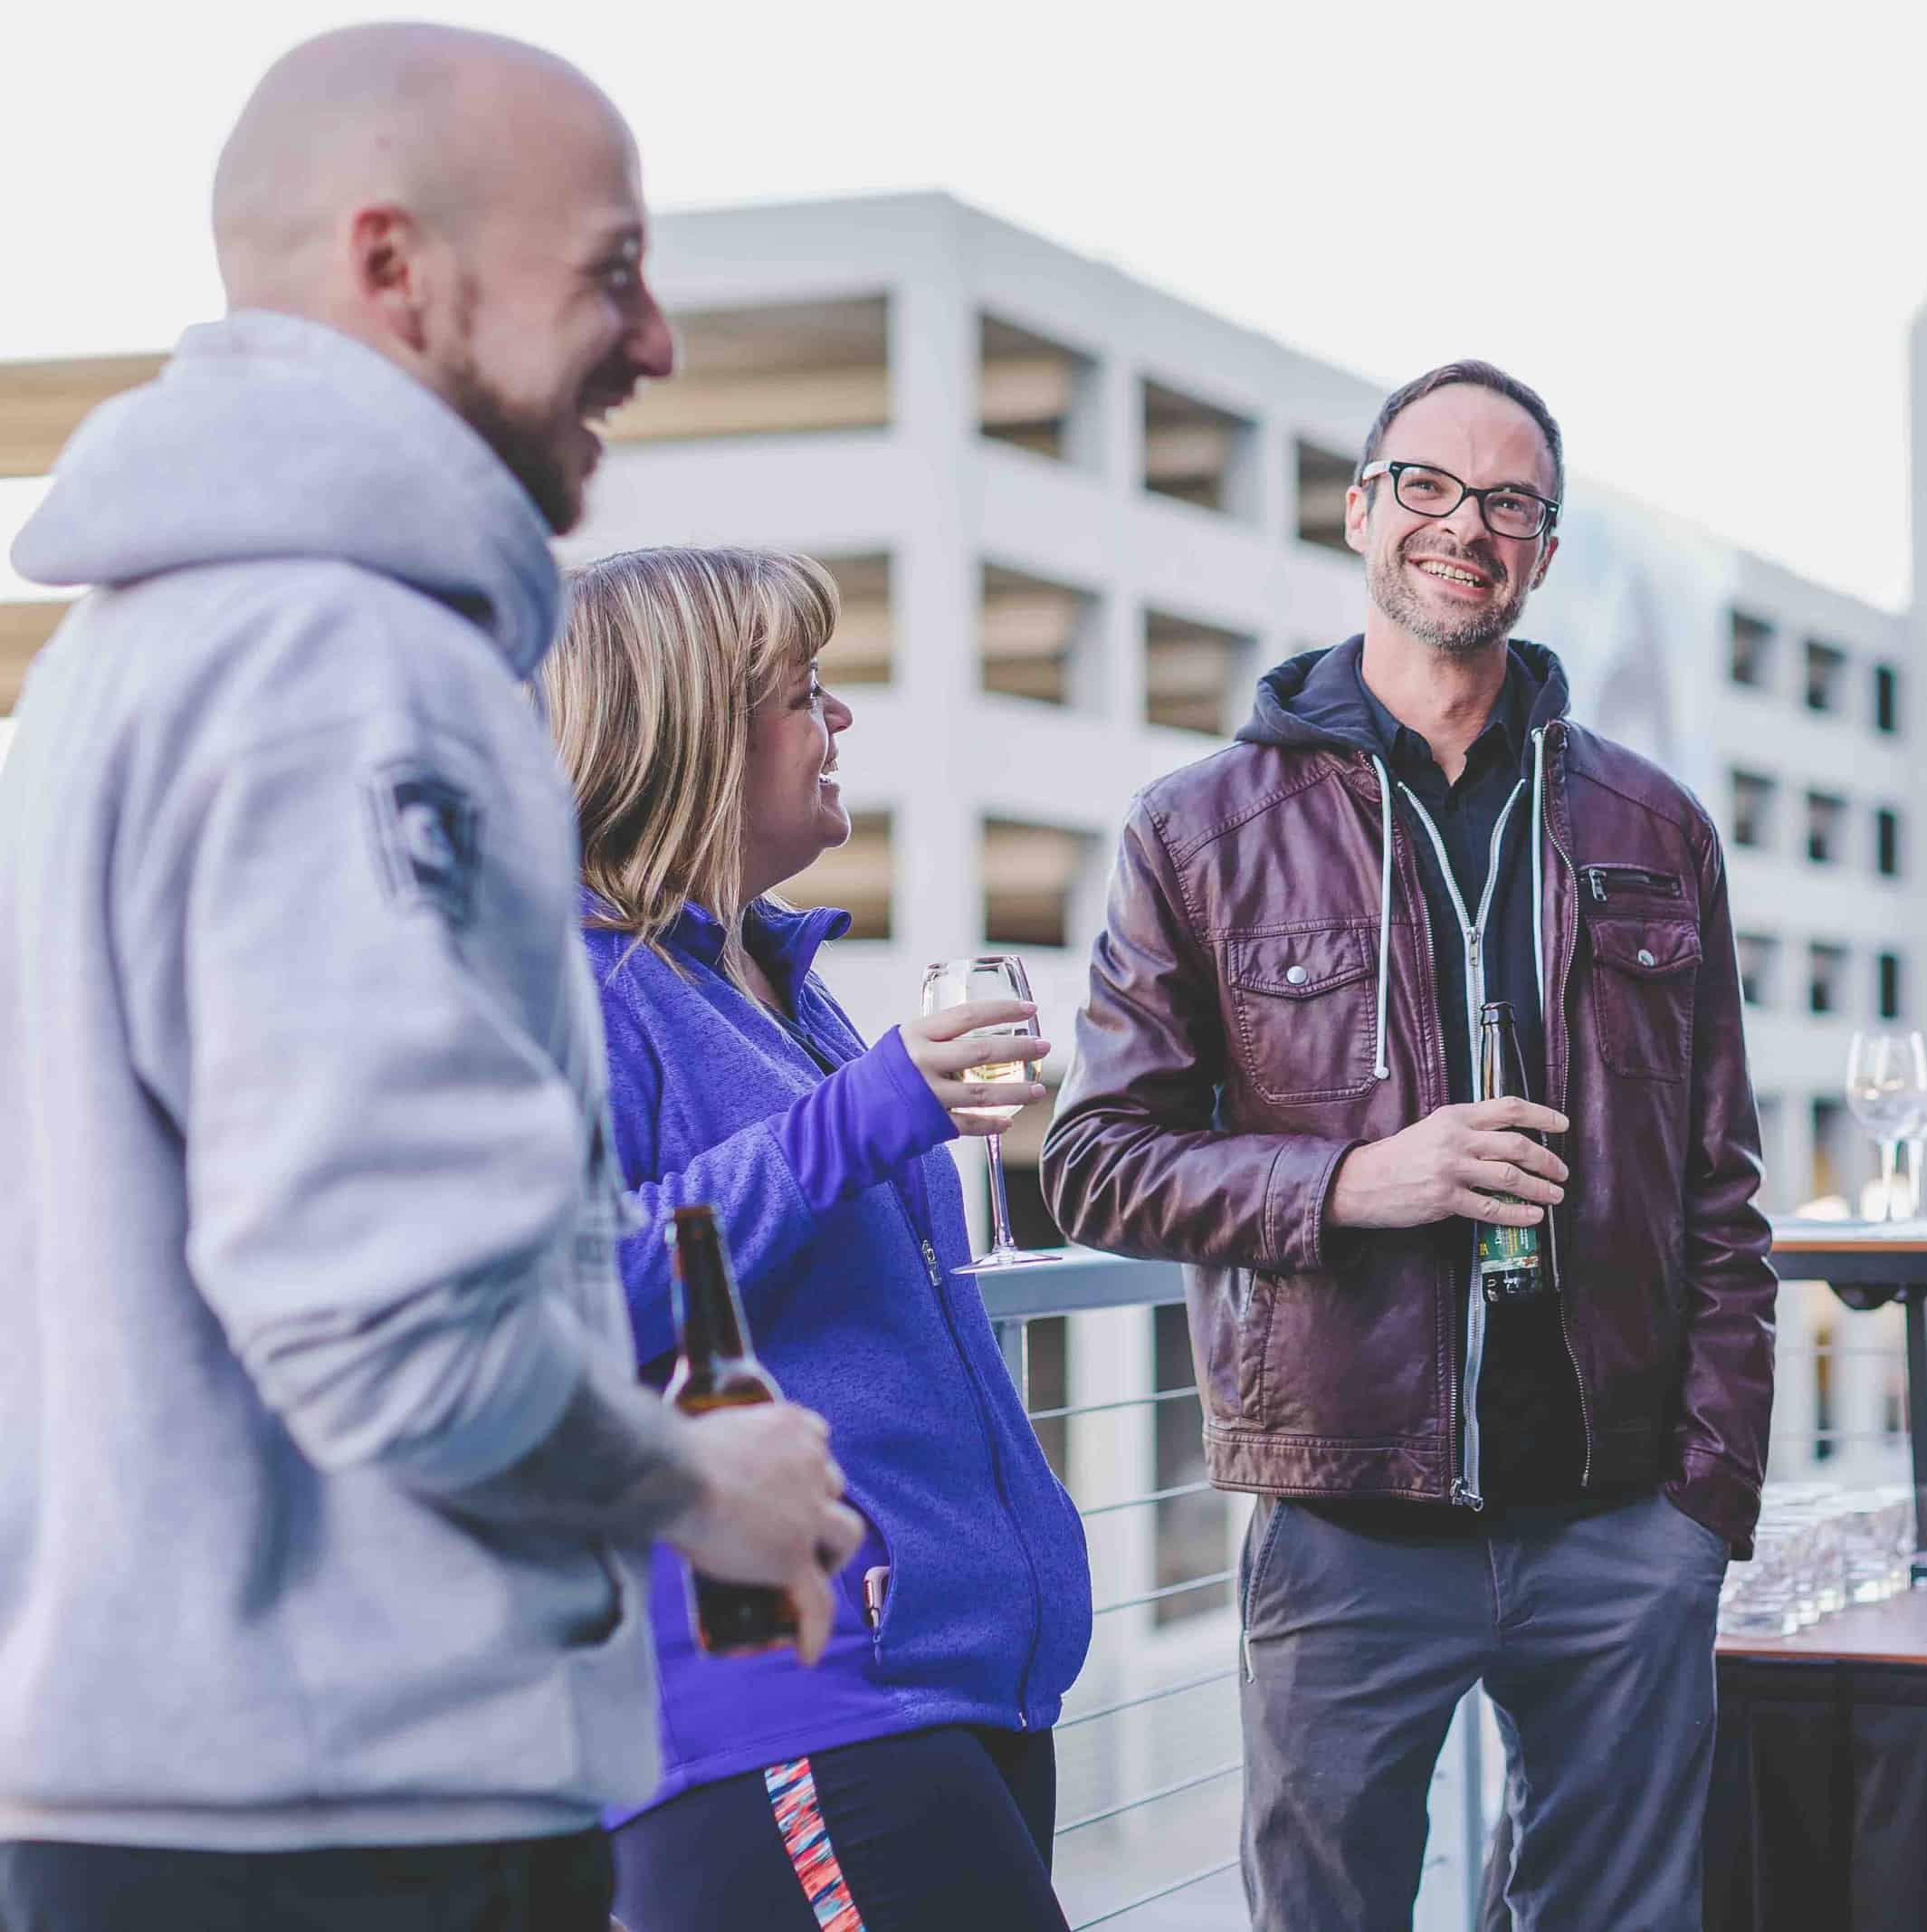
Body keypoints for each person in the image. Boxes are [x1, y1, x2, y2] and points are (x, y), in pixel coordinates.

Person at [0, 27, 860, 1931]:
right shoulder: (349, 673)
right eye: (613, 271)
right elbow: (391, 1325)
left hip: (185, 1786)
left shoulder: (129, 663)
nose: (658, 345)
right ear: (395, 265)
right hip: (351, 1816)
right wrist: (699, 1482)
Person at [1041, 359, 1776, 1929]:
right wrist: (1353, 1183)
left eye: (1511, 501)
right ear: (1365, 511)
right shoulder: (1200, 830)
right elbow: (1097, 1154)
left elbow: (1725, 1185)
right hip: (1347, 1524)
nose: (1469, 525)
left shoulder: (1653, 831)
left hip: (1620, 1518)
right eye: (1430, 487)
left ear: (1545, 549)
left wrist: (1706, 1500)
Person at [543, 546, 1092, 1932]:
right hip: (787, 1704)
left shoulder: (780, 982)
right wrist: (869, 1113)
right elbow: (579, 1286)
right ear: (692, 736)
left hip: (950, 1685)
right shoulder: (581, 980)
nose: (839, 721)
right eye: (804, 694)